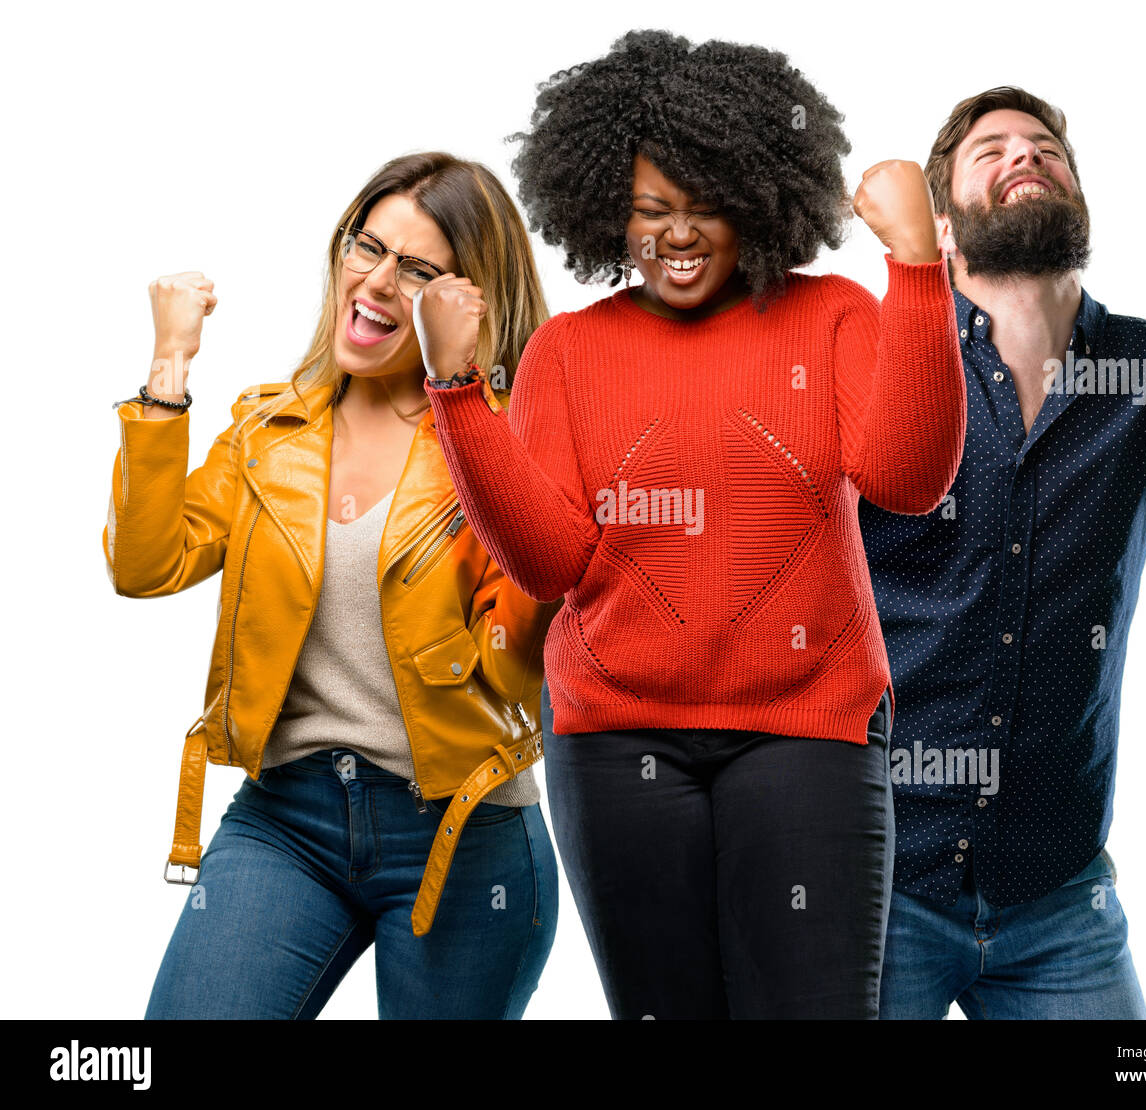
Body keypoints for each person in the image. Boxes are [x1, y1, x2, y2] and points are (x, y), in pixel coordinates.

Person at [418, 29, 967, 1019]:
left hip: (808, 727)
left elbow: (910, 477)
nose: (677, 234)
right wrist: (457, 393)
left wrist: (917, 268)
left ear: (758, 200)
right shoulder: (568, 351)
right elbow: (549, 563)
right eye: (648, 210)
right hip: (616, 737)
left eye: (704, 206)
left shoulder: (833, 317)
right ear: (603, 214)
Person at [858, 86, 1146, 1019]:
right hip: (879, 885)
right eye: (992, 151)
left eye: (1045, 147)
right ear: (940, 229)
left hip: (1060, 900)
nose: (1025, 156)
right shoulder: (875, 365)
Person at [102, 152, 561, 1019]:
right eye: (368, 247)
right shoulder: (268, 432)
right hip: (286, 817)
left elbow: (515, 677)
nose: (379, 282)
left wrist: (464, 393)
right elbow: (143, 565)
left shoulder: (505, 445)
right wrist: (168, 370)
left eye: (420, 269)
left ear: (471, 301)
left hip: (464, 833)